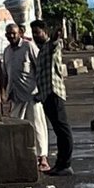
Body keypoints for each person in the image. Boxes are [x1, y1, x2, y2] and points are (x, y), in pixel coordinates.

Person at [29, 18, 74, 174]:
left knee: (62, 129)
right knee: (58, 129)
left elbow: (55, 43)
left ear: (45, 32)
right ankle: (60, 164)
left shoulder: (50, 46)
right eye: (33, 33)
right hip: (45, 95)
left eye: (38, 32)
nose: (35, 36)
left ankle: (65, 164)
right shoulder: (41, 50)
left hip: (54, 93)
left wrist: (56, 36)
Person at [2, 21, 49, 170]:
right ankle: (24, 158)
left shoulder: (28, 47)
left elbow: (40, 68)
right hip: (15, 96)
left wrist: (42, 92)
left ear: (20, 33)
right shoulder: (7, 51)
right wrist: (4, 94)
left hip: (31, 95)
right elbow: (5, 74)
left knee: (37, 127)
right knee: (16, 129)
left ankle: (43, 158)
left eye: (14, 33)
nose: (11, 36)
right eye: (9, 34)